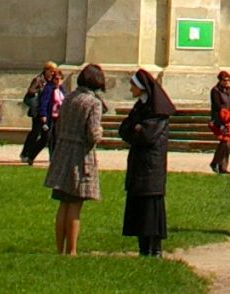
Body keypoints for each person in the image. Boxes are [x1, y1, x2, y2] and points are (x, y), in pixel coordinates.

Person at [43, 61, 108, 256]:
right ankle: (72, 250)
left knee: (63, 202)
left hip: (63, 151)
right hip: (80, 155)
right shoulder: (93, 102)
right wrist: (100, 132)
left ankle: (59, 249)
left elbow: (59, 125)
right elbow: (93, 134)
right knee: (75, 204)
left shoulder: (69, 97)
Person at [117, 68, 175, 259]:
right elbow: (124, 129)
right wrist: (135, 129)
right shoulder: (141, 106)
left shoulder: (157, 110)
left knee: (151, 207)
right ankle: (143, 248)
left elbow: (146, 136)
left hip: (151, 165)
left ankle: (155, 248)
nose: (130, 88)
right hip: (139, 163)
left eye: (133, 84)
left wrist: (137, 129)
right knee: (139, 206)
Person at [19, 63, 63, 166]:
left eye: (54, 71)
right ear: (46, 70)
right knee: (36, 133)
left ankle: (52, 156)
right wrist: (41, 90)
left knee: (49, 136)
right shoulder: (39, 79)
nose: (52, 74)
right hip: (37, 111)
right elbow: (31, 91)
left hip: (48, 112)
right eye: (51, 71)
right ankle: (26, 153)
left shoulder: (53, 83)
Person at [207, 69, 230, 175]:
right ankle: (215, 162)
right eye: (224, 80)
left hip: (229, 120)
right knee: (225, 141)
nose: (227, 82)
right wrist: (225, 115)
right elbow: (217, 106)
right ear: (220, 80)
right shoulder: (215, 90)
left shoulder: (228, 91)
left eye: (228, 80)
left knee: (227, 143)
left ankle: (223, 167)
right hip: (220, 120)